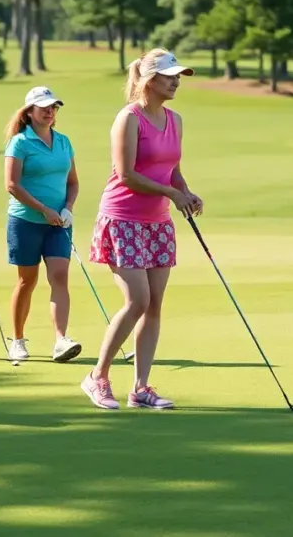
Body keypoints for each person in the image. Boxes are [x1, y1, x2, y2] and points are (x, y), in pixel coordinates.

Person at [80, 49, 203, 411]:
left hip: (157, 223)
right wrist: (171, 193)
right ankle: (97, 377)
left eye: (179, 75)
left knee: (155, 305)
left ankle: (141, 388)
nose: (176, 81)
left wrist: (186, 191)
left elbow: (171, 169)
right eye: (170, 76)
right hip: (122, 219)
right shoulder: (129, 118)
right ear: (150, 79)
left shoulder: (175, 120)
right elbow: (127, 175)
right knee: (138, 300)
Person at [3, 86, 82, 363]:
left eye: (53, 107)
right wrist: (44, 210)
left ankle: (61, 340)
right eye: (44, 107)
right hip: (25, 221)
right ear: (30, 112)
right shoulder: (20, 143)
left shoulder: (63, 142)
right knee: (27, 281)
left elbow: (73, 183)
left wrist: (67, 208)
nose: (50, 111)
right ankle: (18, 340)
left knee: (60, 276)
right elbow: (11, 185)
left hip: (59, 222)